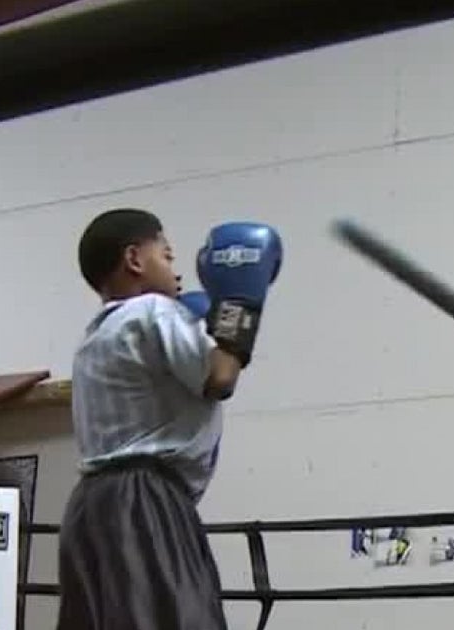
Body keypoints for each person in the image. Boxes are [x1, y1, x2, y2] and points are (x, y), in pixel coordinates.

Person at [56, 208, 279, 630]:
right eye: (168, 256)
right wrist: (240, 304)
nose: (177, 273)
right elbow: (220, 377)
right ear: (135, 260)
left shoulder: (95, 336)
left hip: (90, 509)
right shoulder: (153, 312)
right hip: (143, 502)